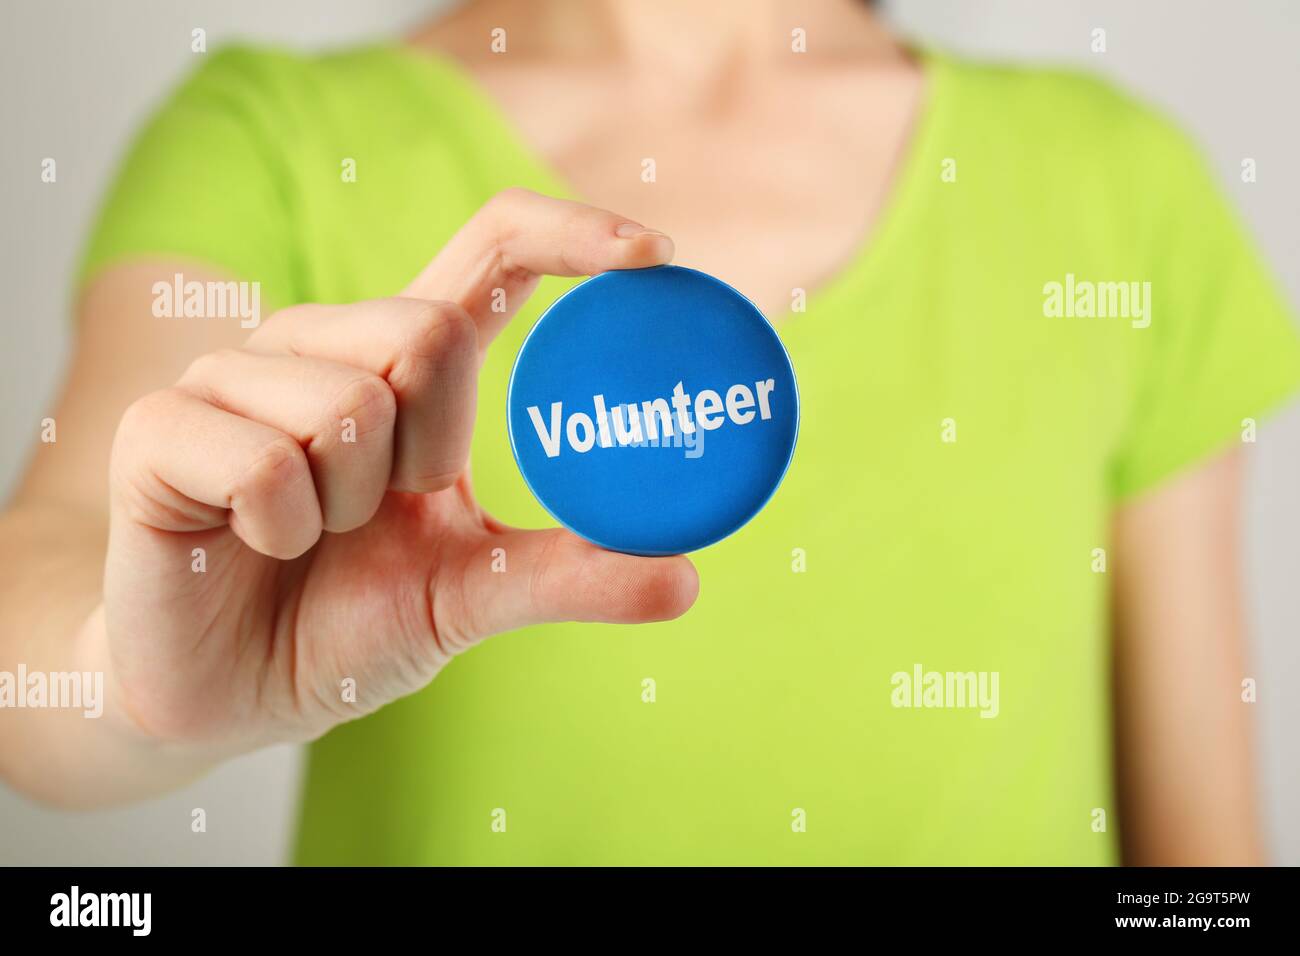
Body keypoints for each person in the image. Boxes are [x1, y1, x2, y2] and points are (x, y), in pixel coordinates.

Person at [2, 0, 1297, 865]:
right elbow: (37, 633)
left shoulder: (1115, 182)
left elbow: (1202, 864)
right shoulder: (276, 138)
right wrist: (136, 684)